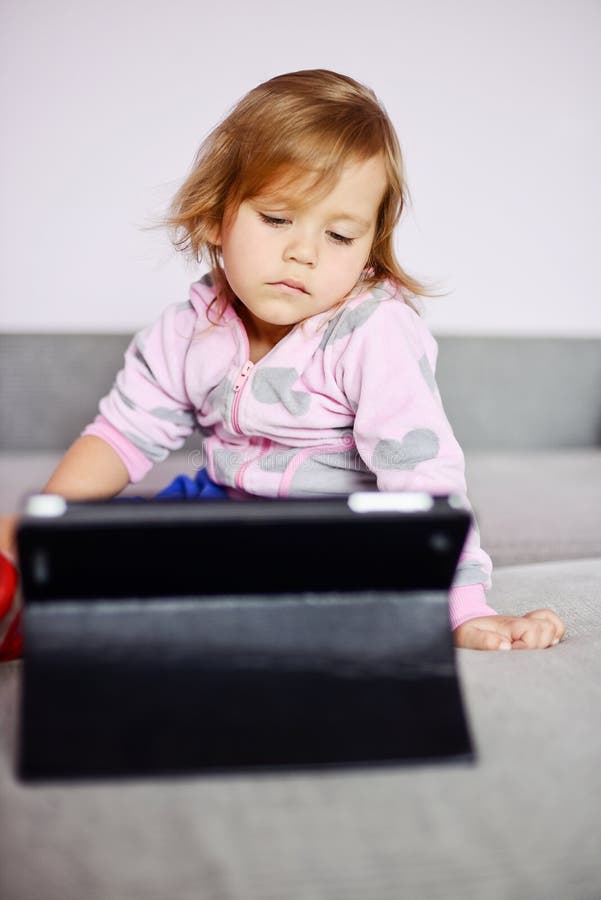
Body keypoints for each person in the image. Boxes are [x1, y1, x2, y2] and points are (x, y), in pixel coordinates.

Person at [0, 69, 564, 655]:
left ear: (370, 248)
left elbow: (423, 474)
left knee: (344, 590)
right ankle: (42, 594)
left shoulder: (372, 331)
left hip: (334, 530)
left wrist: (463, 608)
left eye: (340, 236)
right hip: (224, 509)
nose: (304, 252)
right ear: (219, 217)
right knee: (123, 536)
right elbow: (121, 433)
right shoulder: (192, 328)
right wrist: (45, 527)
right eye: (277, 219)